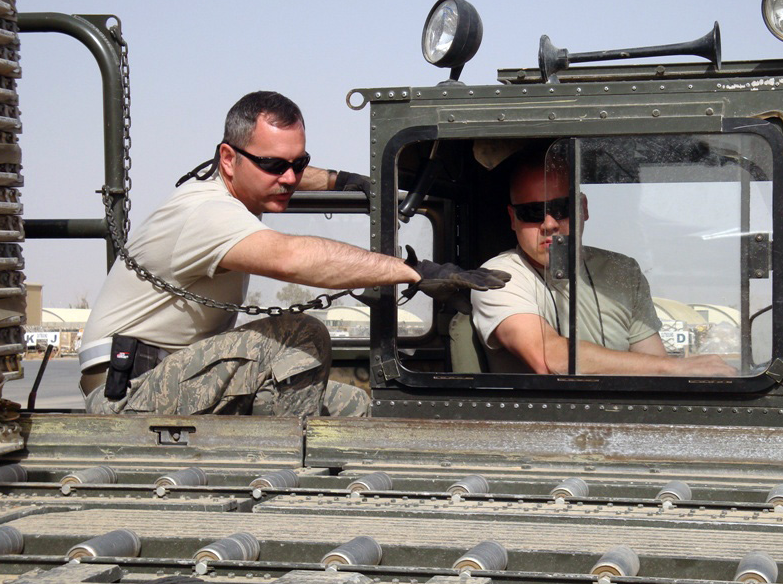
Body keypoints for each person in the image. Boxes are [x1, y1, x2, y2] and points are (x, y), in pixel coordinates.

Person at [79, 91, 508, 418]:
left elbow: (279, 170)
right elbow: (292, 257)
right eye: (274, 166)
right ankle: (281, 475)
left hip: (180, 378)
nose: (288, 179)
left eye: (298, 164)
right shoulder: (204, 212)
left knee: (352, 408)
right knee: (303, 335)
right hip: (127, 391)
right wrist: (412, 270)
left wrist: (345, 181)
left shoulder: (240, 181)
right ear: (227, 159)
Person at [471, 146, 734, 376]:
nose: (549, 224)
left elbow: (654, 363)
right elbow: (551, 359)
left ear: (583, 208)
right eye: (531, 213)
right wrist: (678, 368)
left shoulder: (622, 271)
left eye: (562, 209)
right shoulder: (497, 278)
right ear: (512, 218)